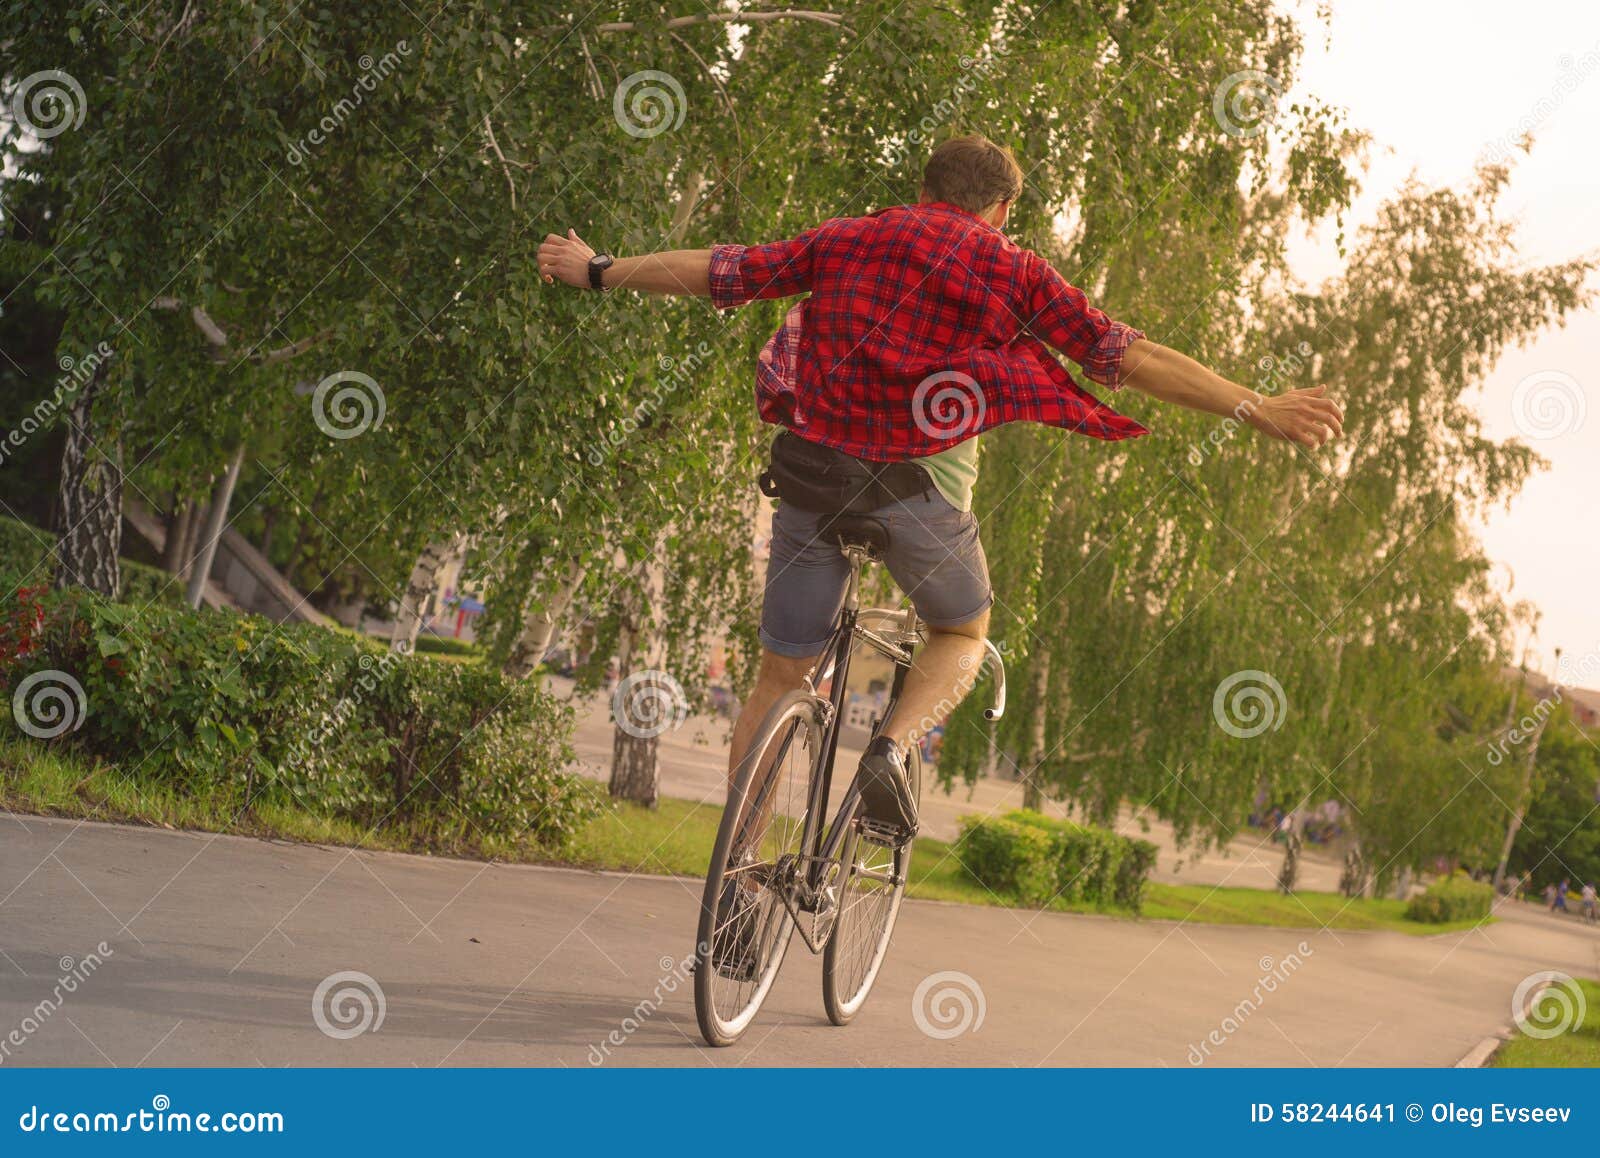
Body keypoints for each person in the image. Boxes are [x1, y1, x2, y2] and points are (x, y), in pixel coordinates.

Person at [538, 135, 1342, 970]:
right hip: (915, 500)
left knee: (780, 680)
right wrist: (1254, 405)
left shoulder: (849, 236)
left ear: (923, 188)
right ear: (1000, 210)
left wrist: (597, 269)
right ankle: (891, 747)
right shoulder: (1012, 269)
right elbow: (1123, 356)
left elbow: (722, 270)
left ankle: (733, 898)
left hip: (810, 482)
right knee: (962, 634)